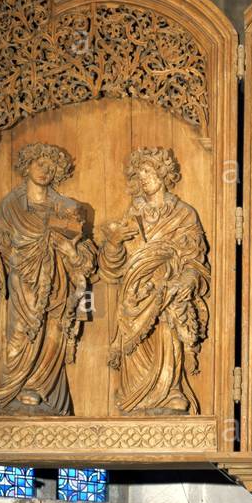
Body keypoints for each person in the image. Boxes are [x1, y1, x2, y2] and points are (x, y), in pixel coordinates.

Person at [99, 147, 210, 415]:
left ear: (162, 173)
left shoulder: (183, 214)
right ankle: (136, 397)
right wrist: (113, 244)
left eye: (148, 171)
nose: (143, 177)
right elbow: (113, 267)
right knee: (136, 346)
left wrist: (185, 280)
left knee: (166, 333)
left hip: (165, 291)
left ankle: (169, 391)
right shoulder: (132, 216)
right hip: (133, 294)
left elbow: (195, 260)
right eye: (139, 173)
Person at [0, 143, 95, 415]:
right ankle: (13, 388)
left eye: (51, 166)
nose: (45, 170)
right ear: (27, 166)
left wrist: (71, 252)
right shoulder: (11, 206)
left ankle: (39, 388)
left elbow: (85, 250)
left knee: (53, 333)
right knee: (20, 335)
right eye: (39, 164)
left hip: (58, 282)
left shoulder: (66, 207)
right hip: (21, 280)